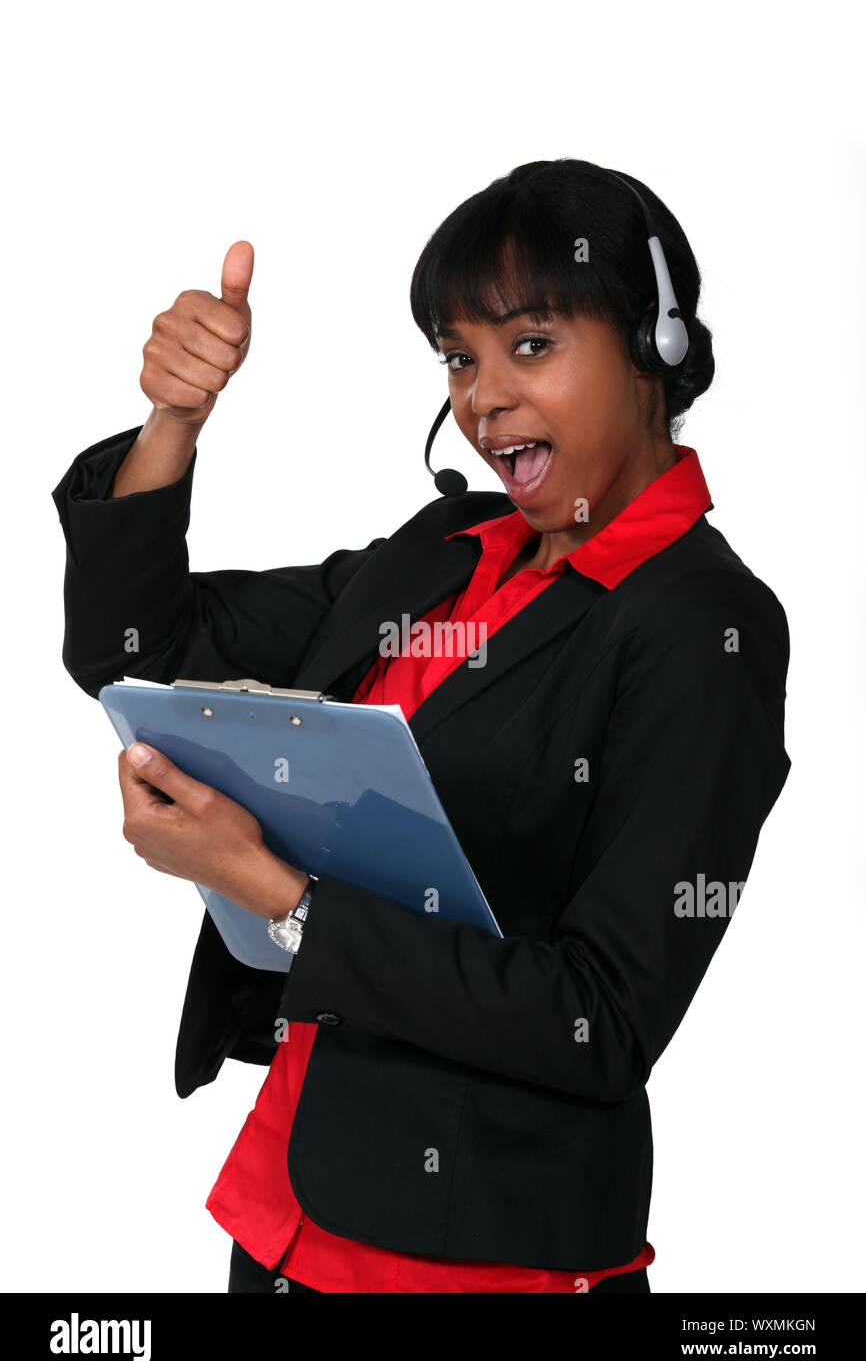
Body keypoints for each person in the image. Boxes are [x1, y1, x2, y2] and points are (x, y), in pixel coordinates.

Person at [51, 158, 791, 1294]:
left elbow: (597, 1018)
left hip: (473, 1258)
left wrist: (280, 898)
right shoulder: (443, 554)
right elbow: (134, 652)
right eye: (458, 356)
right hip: (289, 1207)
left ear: (656, 348)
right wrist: (173, 423)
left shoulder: (702, 627)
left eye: (529, 344)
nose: (481, 397)